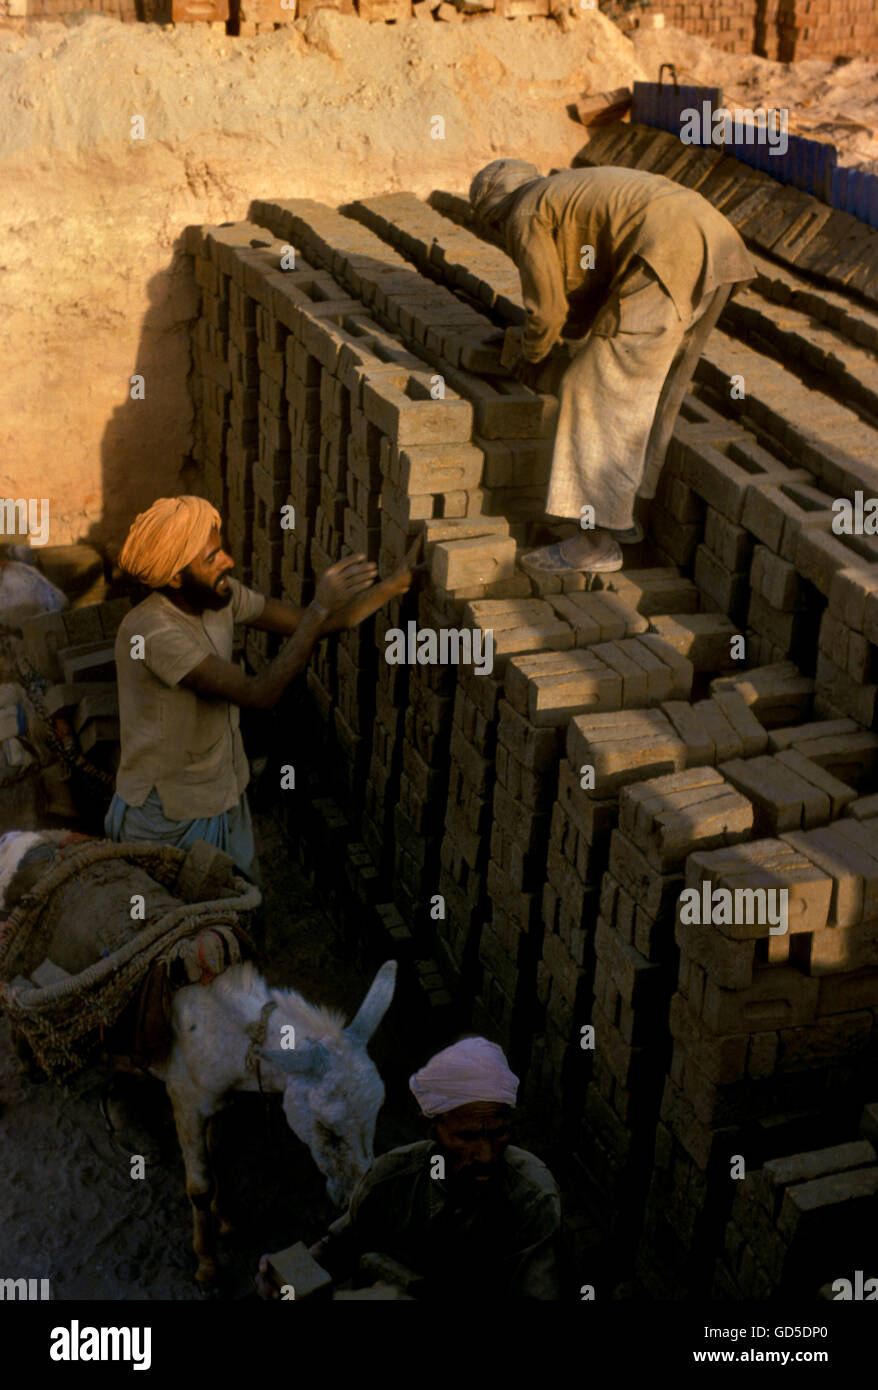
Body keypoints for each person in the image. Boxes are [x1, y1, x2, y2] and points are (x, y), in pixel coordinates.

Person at [105, 495, 416, 882]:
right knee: (181, 932)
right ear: (174, 577)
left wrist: (391, 586)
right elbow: (259, 693)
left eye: (221, 552)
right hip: (169, 817)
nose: (228, 562)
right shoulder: (152, 633)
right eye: (211, 559)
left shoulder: (220, 597)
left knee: (239, 919)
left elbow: (310, 624)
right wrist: (319, 609)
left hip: (223, 796)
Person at [469, 159, 757, 575]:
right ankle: (626, 513)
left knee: (590, 388)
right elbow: (585, 299)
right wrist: (552, 340)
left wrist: (530, 355)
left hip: (666, 252)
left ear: (493, 213)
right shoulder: (564, 193)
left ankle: (594, 540)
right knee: (656, 384)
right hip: (717, 244)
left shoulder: (523, 211)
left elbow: (547, 311)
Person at [257, 1036, 563, 1300]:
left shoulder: (532, 1199)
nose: (486, 1154)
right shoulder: (392, 1178)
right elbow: (339, 1249)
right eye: (466, 1136)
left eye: (498, 1133)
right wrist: (286, 1278)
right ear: (430, 1129)